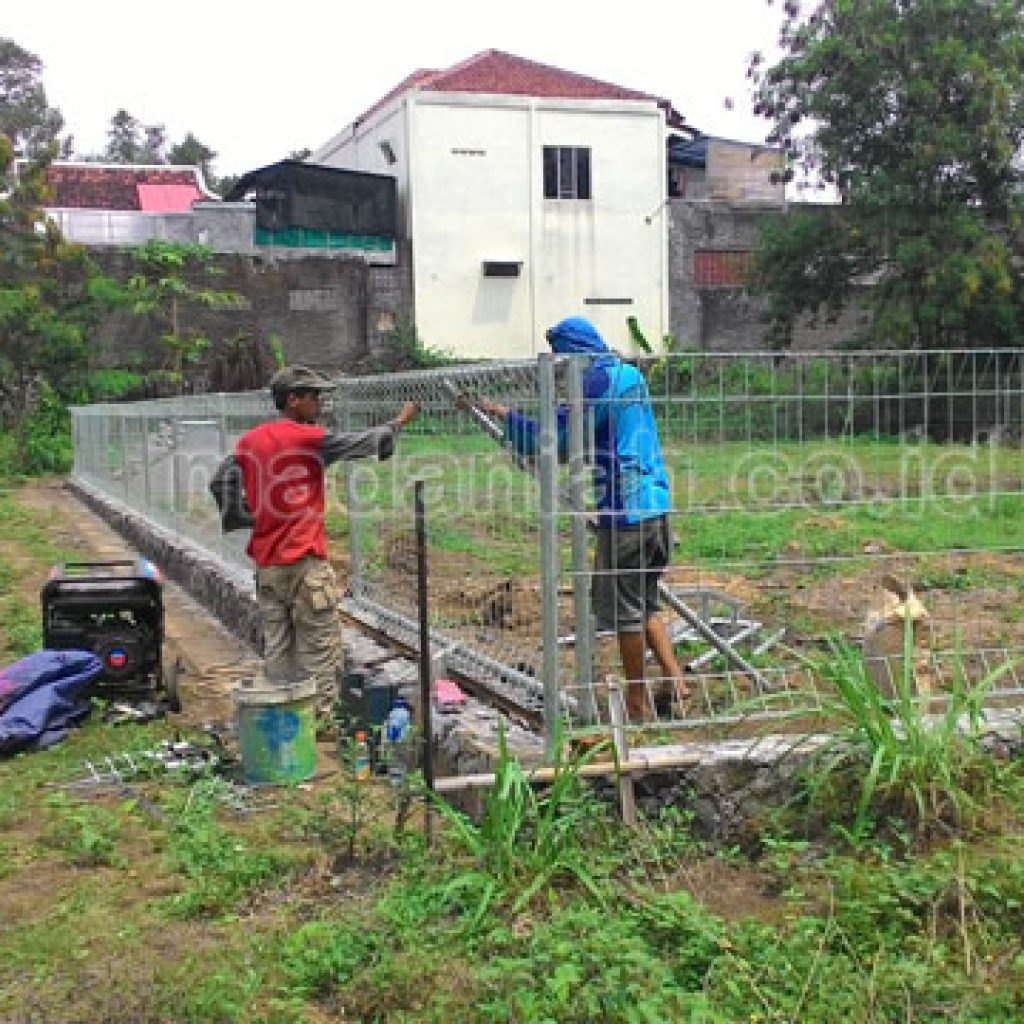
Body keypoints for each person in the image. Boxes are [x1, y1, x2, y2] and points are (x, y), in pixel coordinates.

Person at [471, 316, 688, 723]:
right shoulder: (627, 373)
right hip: (658, 503)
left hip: (625, 510)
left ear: (573, 354)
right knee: (644, 600)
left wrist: (507, 419)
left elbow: (560, 443)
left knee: (624, 611)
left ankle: (637, 706)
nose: (558, 369)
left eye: (560, 360)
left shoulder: (593, 384)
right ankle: (676, 678)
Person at [210, 365, 419, 713]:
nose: (319, 403)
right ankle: (319, 730)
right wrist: (399, 422)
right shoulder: (308, 440)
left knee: (278, 647)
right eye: (314, 396)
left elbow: (220, 483)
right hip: (304, 565)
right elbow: (362, 443)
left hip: (268, 564)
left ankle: (282, 719)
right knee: (320, 649)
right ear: (294, 400)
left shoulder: (249, 442)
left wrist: (250, 516)